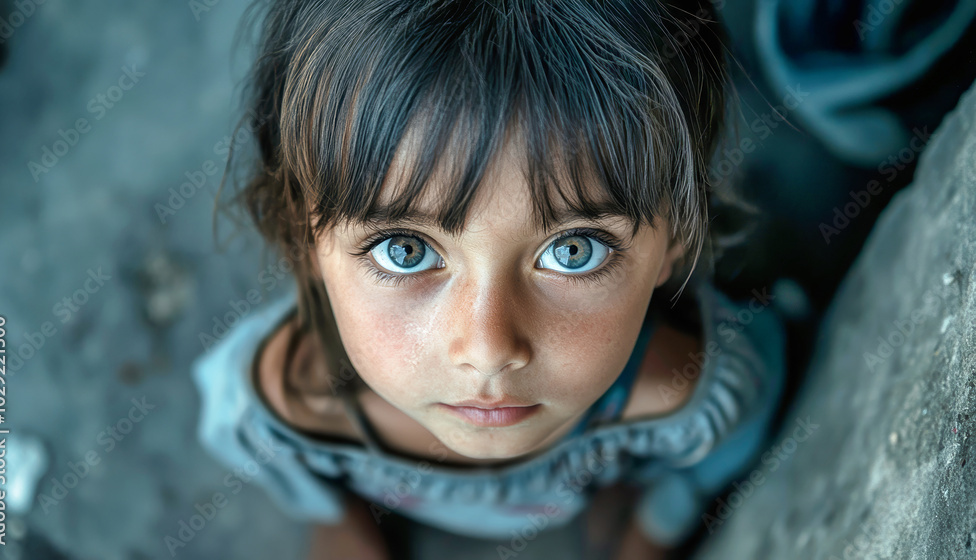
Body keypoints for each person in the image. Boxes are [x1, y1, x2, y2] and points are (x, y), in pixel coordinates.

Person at [191, 0, 787, 557]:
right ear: (306, 237)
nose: (488, 352)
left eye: (573, 251)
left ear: (676, 236)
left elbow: (740, 422)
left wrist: (656, 524)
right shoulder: (296, 402)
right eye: (405, 250)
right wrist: (332, 514)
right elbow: (270, 452)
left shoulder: (673, 393)